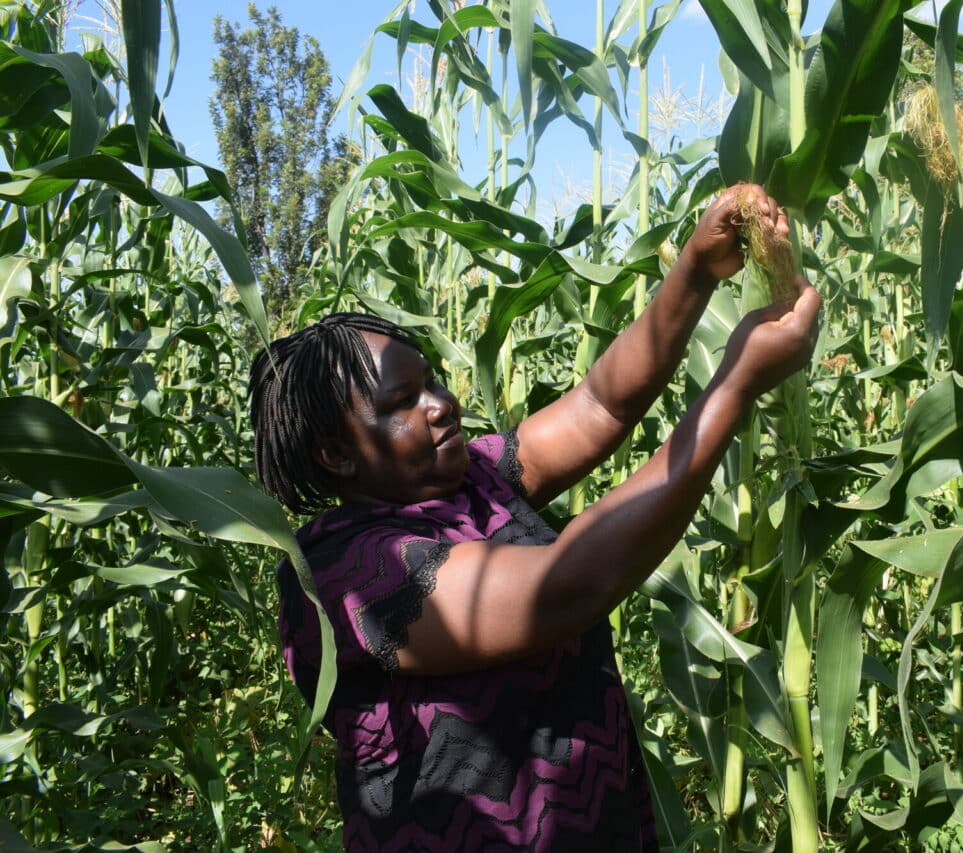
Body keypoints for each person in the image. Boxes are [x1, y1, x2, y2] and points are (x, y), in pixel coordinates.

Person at [248, 184, 821, 851]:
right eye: (402, 401)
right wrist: (735, 385)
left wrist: (694, 268)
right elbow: (565, 586)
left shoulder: (475, 477)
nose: (440, 404)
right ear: (336, 454)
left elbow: (601, 405)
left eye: (432, 381)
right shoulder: (346, 574)